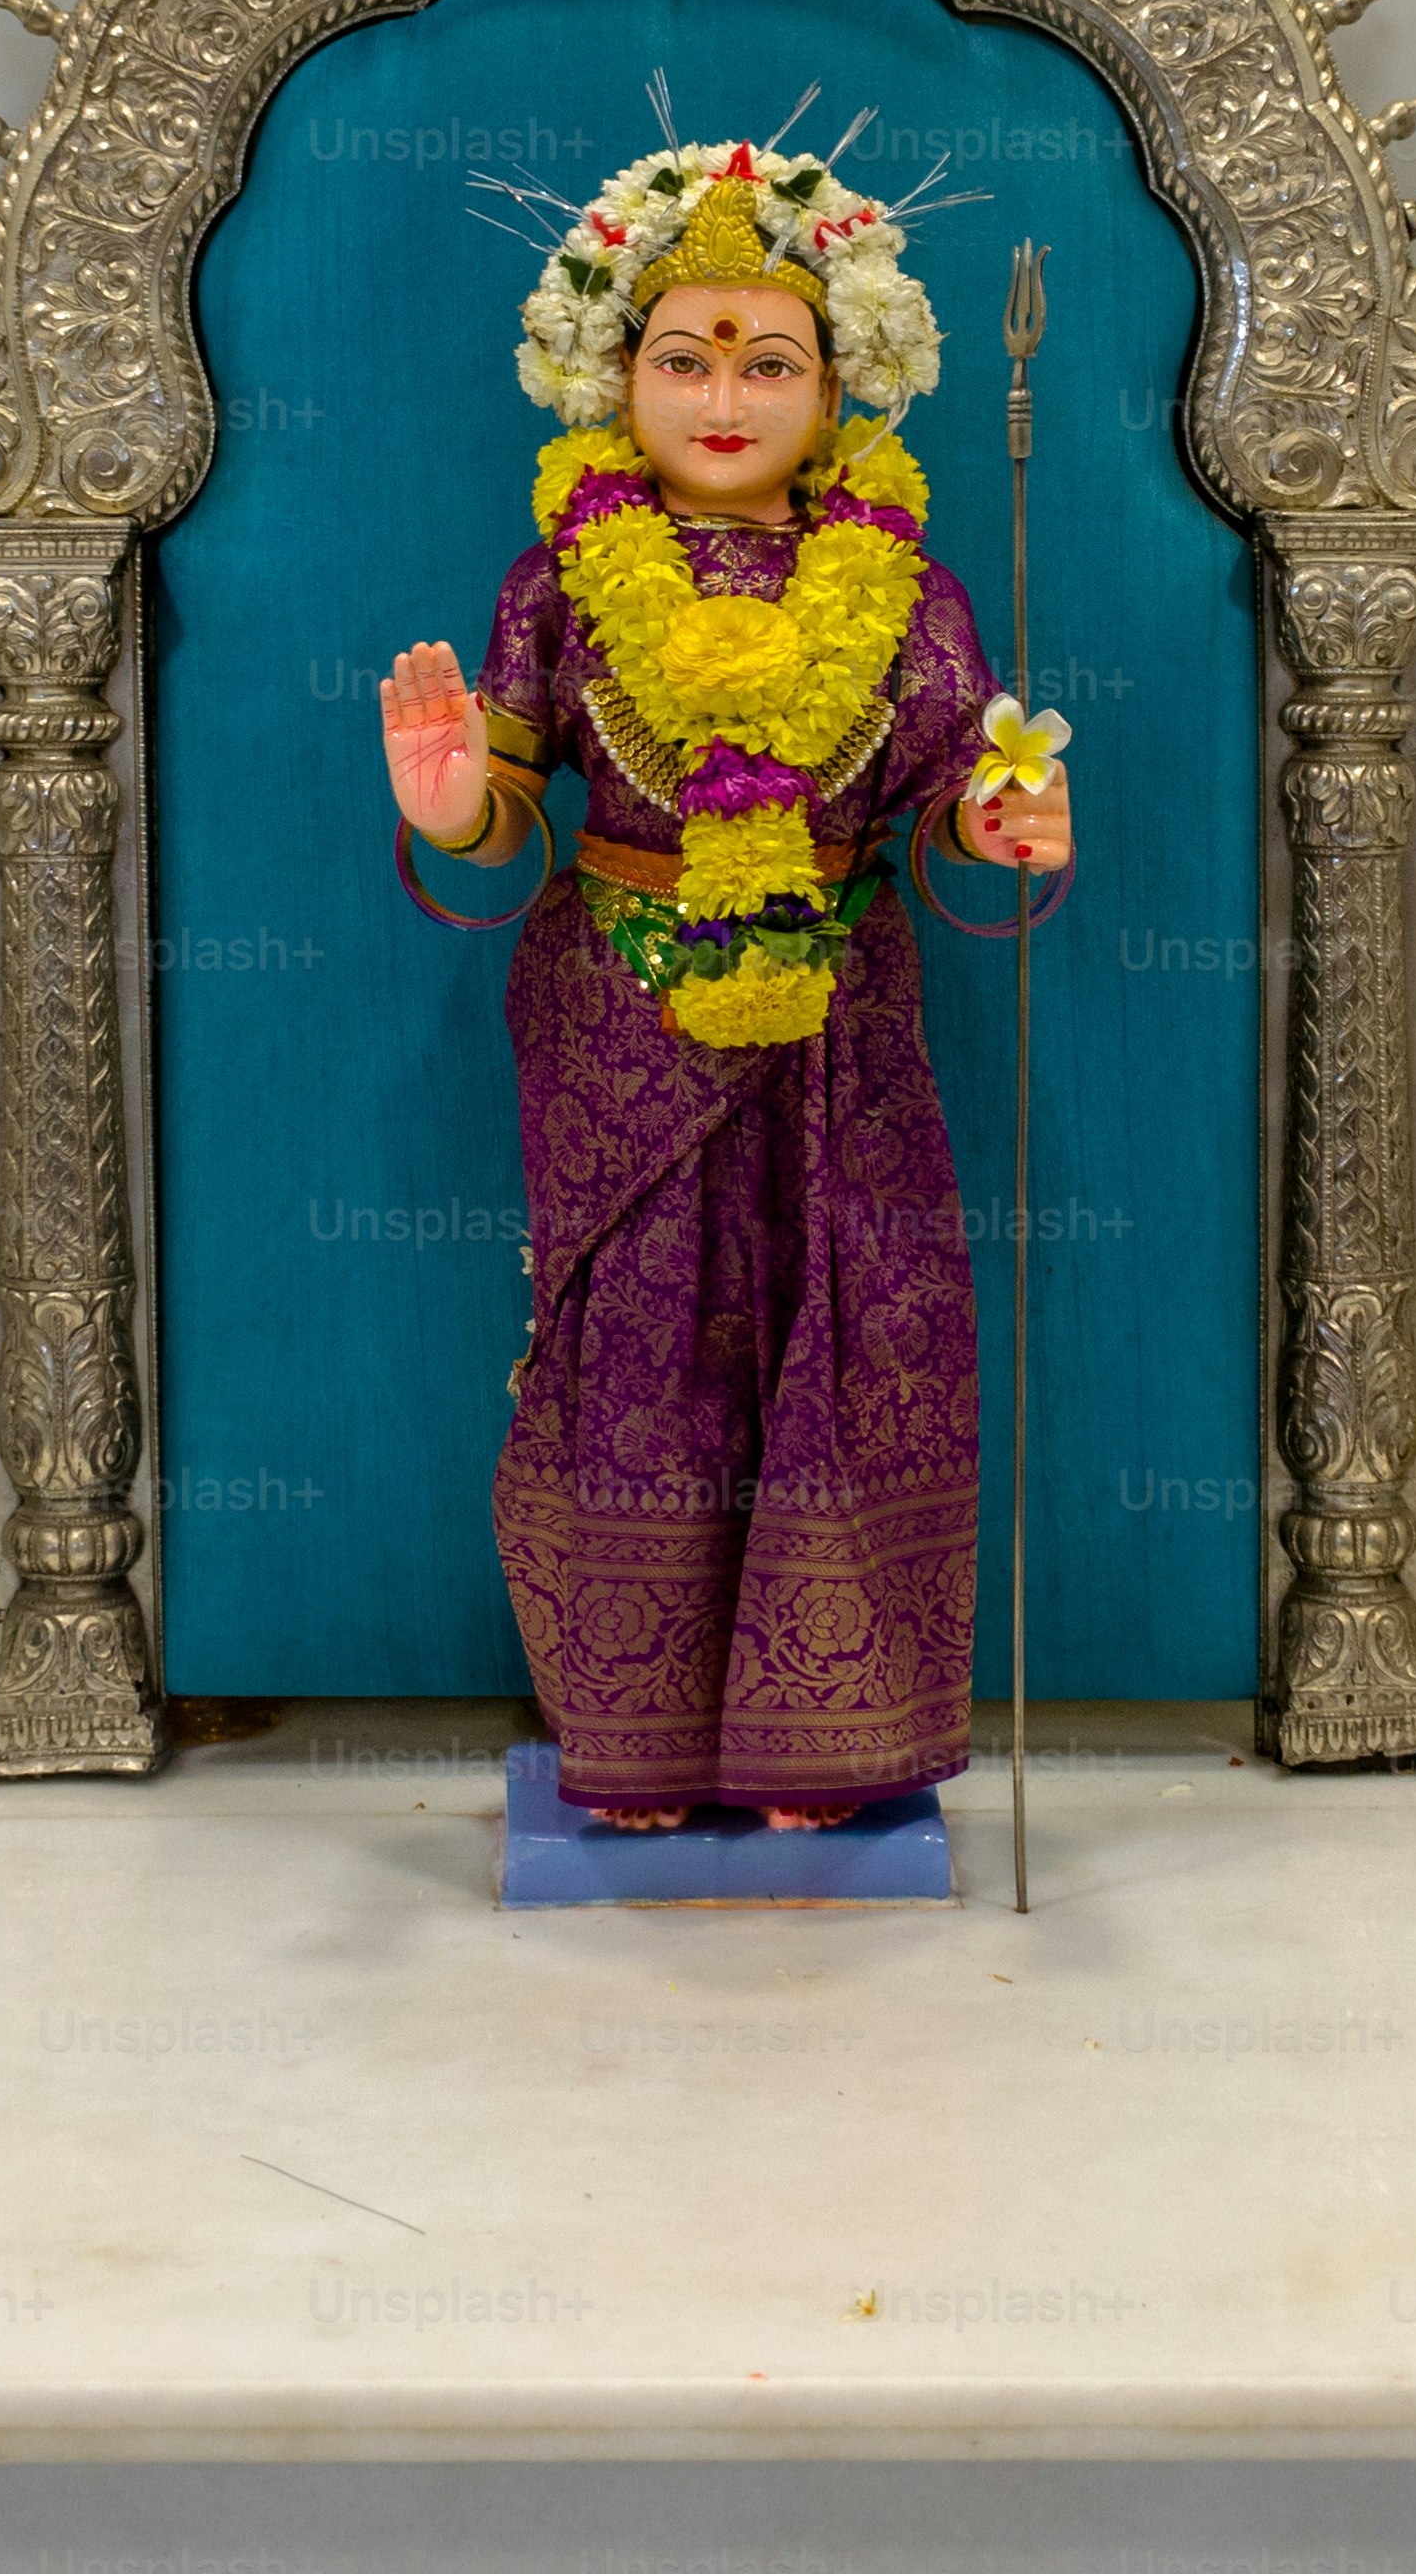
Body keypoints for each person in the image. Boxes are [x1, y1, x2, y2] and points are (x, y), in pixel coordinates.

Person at [376, 138, 1077, 1831]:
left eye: (771, 360)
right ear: (618, 383)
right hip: (618, 1026)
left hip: (844, 1027)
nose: (724, 394)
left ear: (844, 393)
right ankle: (630, 1745)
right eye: (683, 357)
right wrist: (458, 803)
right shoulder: (561, 585)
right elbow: (519, 819)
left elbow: (938, 809)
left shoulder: (909, 597)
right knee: (635, 1356)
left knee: (845, 1348)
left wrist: (1000, 821)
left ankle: (820, 1745)